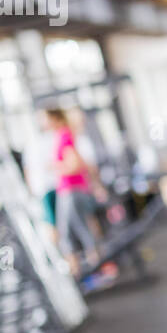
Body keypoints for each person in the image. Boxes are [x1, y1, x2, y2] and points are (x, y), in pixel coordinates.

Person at [42, 108, 104, 277]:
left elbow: (76, 165)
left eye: (44, 119)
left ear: (54, 119)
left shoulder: (64, 135)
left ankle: (92, 269)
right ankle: (85, 269)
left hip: (71, 190)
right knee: (77, 229)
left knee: (72, 231)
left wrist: (54, 167)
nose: (42, 123)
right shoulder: (63, 136)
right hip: (71, 190)